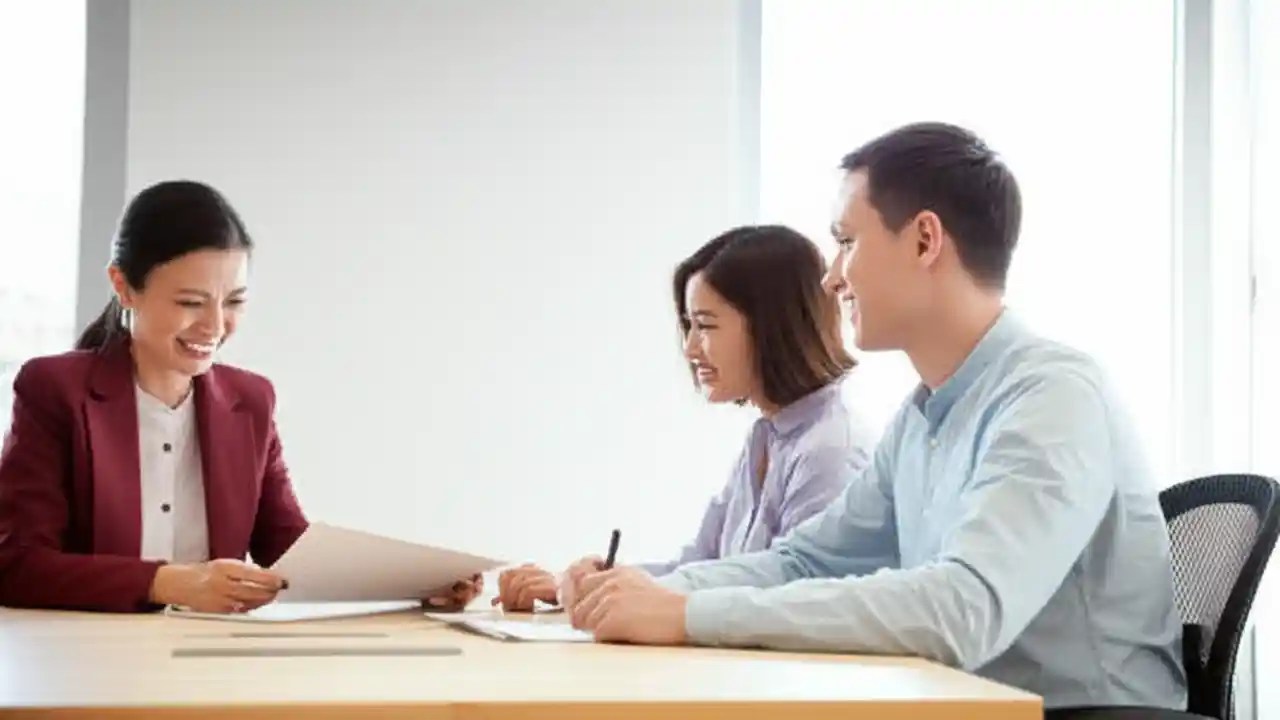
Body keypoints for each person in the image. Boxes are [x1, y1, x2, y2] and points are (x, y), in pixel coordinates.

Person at [562, 123, 1188, 712]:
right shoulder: (922, 419)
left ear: (924, 240)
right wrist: (646, 594)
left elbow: (959, 611)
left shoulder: (1052, 397)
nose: (833, 279)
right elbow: (802, 562)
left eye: (845, 243)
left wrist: (684, 616)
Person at [0, 180, 479, 614]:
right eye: (190, 303)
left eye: (233, 302)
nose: (214, 326)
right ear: (124, 287)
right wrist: (168, 582)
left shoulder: (250, 400)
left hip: (209, 657)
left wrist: (421, 584)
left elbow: (289, 551)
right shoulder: (54, 390)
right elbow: (17, 565)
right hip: (87, 661)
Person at [494, 225, 876, 612]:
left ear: (771, 326)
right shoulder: (768, 436)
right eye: (688, 325)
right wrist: (583, 585)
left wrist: (605, 591)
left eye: (706, 326)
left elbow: (794, 598)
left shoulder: (829, 450)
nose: (690, 348)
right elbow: (698, 568)